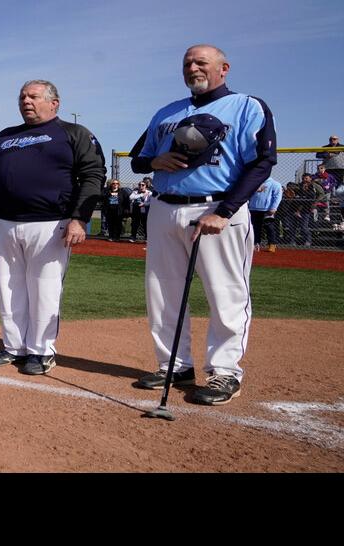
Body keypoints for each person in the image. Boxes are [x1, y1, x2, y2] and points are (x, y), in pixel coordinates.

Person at [131, 44, 276, 405]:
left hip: (216, 208)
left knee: (225, 291)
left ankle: (224, 372)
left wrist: (225, 211)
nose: (192, 67)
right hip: (165, 207)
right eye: (187, 63)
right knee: (162, 293)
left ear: (223, 68)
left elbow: (262, 163)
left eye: (201, 62)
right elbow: (138, 160)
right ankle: (174, 365)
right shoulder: (167, 112)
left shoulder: (246, 106)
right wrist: (155, 161)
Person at [0, 80, 104, 373]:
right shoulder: (4, 137)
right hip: (3, 222)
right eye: (22, 96)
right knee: (8, 287)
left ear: (54, 103)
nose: (26, 100)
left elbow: (92, 175)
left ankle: (41, 351)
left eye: (34, 96)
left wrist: (80, 217)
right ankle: (14, 347)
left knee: (44, 288)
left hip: (51, 223)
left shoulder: (73, 133)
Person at [248, 177, 282, 252]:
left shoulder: (275, 184)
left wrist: (274, 208)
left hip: (267, 210)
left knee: (269, 227)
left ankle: (272, 244)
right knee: (255, 228)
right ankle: (256, 244)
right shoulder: (255, 182)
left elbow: (277, 197)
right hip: (253, 209)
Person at [128, 177, 153, 242]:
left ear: (146, 186)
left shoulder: (149, 193)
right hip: (136, 210)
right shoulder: (135, 192)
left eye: (142, 185)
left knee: (145, 224)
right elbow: (131, 197)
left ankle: (147, 237)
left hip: (145, 210)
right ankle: (133, 237)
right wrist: (141, 194)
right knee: (135, 224)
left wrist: (145, 204)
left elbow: (151, 202)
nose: (141, 186)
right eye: (139, 185)